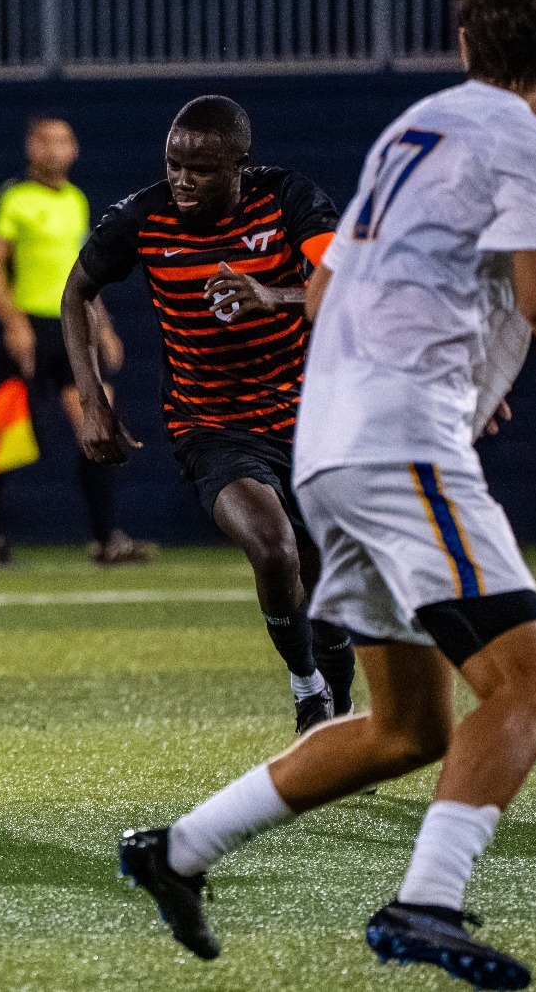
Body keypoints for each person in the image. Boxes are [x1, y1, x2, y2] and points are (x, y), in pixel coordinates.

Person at [117, 0, 536, 989]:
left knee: (405, 724)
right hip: (399, 445)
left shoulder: (409, 132)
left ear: (461, 43)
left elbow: (332, 292)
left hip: (329, 448)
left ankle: (173, 850)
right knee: (533, 693)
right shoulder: (533, 150)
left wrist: (461, 368)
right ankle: (424, 904)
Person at [62, 96, 359, 735]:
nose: (182, 180)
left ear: (240, 168)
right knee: (274, 549)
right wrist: (94, 403)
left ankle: (338, 694)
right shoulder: (145, 218)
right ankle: (308, 692)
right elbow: (76, 291)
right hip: (212, 427)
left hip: (310, 419)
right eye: (174, 164)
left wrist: (274, 295)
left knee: (323, 574)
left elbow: (348, 282)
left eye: (201, 168)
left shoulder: (287, 200)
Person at [0, 115, 153, 568]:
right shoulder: (7, 198)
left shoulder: (77, 201)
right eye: (45, 140)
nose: (54, 149)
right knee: (7, 431)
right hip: (28, 327)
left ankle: (106, 540)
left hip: (73, 330)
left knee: (98, 427)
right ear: (31, 147)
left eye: (64, 140)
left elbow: (82, 272)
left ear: (75, 150)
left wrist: (103, 324)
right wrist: (13, 323)